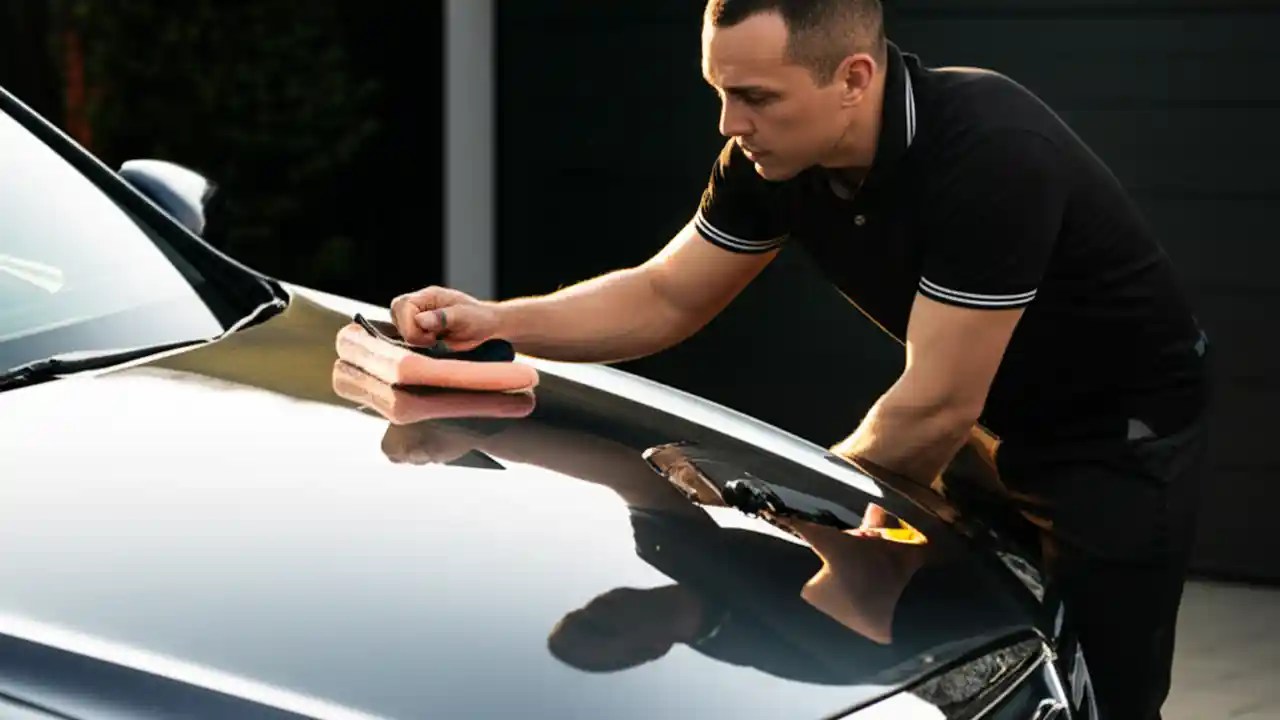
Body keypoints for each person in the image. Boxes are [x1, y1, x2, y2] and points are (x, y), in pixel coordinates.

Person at [390, 1, 1210, 717]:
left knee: (1096, 694)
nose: (728, 123)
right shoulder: (771, 156)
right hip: (982, 420)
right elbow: (667, 296)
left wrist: (794, 508)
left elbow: (933, 404)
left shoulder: (992, 152)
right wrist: (492, 319)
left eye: (753, 96)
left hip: (1114, 438)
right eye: (719, 93)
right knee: (951, 663)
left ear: (853, 77)